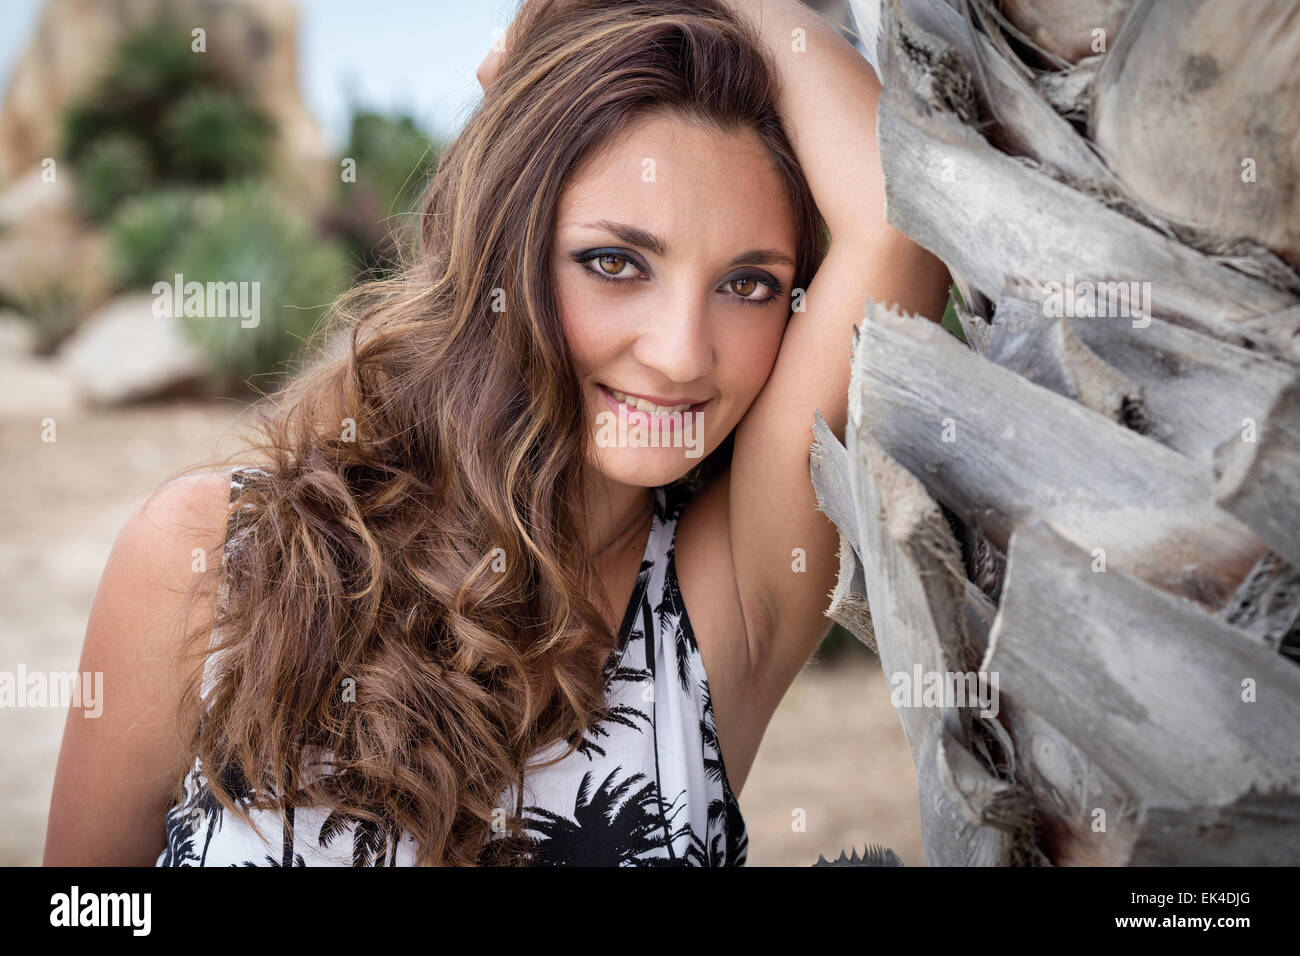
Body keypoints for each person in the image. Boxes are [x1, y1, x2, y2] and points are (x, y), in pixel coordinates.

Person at [44, 0, 949, 866]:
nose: (680, 356)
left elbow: (901, 214)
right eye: (614, 263)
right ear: (501, 249)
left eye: (747, 284)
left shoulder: (724, 605)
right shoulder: (215, 560)